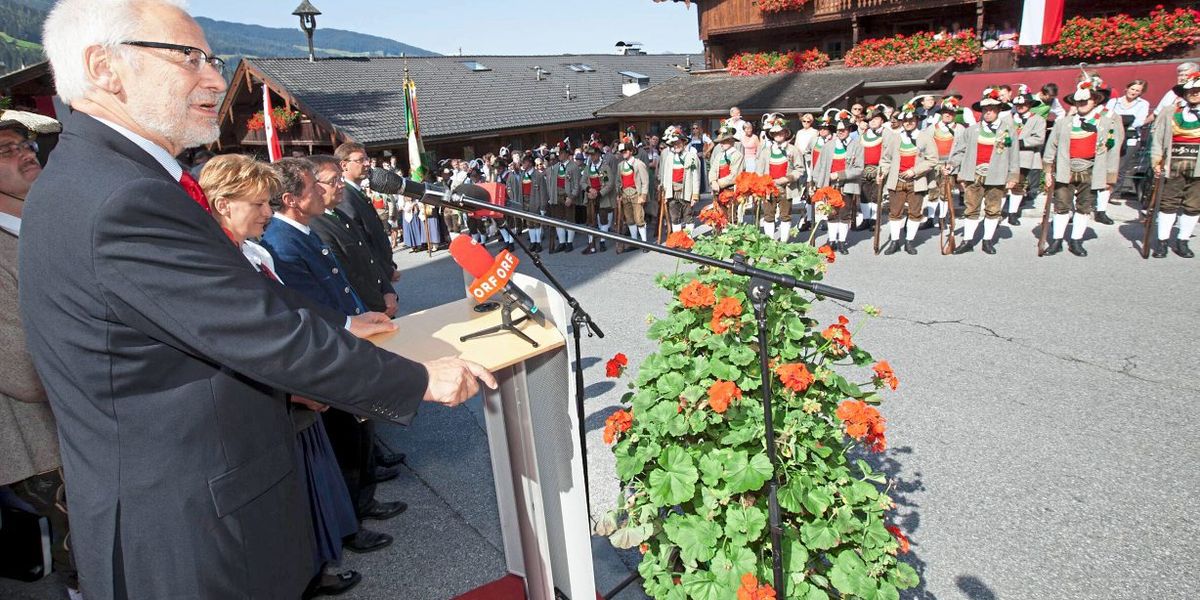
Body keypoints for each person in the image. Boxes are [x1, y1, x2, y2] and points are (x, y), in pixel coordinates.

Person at [21, 2, 496, 597]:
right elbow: (258, 330)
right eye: (188, 57)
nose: (216, 79)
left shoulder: (97, 175)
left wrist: (342, 328)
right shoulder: (121, 197)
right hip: (193, 530)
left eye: (212, 59)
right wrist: (415, 377)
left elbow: (231, 304)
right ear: (104, 66)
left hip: (186, 512)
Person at [200, 154, 362, 598]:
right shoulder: (217, 262)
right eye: (257, 204)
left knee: (310, 492)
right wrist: (293, 390)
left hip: (293, 394)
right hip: (273, 403)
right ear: (221, 204)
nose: (268, 213)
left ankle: (315, 570)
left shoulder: (251, 249)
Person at [0, 116, 81, 600]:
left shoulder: (40, 223)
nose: (26, 152)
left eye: (24, 144)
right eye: (6, 150)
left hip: (79, 426)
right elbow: (20, 369)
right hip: (40, 445)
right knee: (84, 565)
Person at [1042, 77, 1124, 257]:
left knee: (1084, 206)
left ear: (1094, 101)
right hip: (1066, 168)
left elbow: (1113, 149)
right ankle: (1056, 240)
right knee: (1061, 205)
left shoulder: (1106, 122)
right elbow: (1051, 147)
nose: (1080, 104)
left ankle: (1076, 240)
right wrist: (1048, 170)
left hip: (1092, 169)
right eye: (1077, 101)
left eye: (1084, 101)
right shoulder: (1063, 122)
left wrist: (1110, 177)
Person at [308, 155, 397, 317]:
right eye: (333, 181)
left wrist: (388, 290)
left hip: (381, 302)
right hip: (366, 311)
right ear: (315, 186)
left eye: (341, 178)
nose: (341, 185)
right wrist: (379, 303)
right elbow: (347, 274)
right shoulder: (316, 225)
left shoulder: (340, 215)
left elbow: (369, 256)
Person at [949, 88, 1020, 254]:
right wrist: (951, 165)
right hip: (973, 175)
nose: (988, 113)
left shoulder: (1008, 130)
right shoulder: (971, 130)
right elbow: (960, 151)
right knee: (971, 208)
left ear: (998, 110)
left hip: (997, 175)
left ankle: (987, 240)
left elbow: (1014, 155)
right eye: (985, 110)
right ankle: (967, 241)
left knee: (993, 208)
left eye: (992, 110)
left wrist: (1013, 176)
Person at [1148, 72, 1200, 258]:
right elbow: (1158, 138)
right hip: (1173, 163)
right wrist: (1156, 160)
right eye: (1190, 91)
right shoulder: (1170, 111)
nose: (1194, 93)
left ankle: (1182, 241)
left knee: (1193, 205)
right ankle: (1162, 242)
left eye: (1197, 90)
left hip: (1198, 167)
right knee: (1168, 203)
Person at [877, 104, 937, 254]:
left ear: (917, 120)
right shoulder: (895, 138)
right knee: (895, 212)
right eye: (905, 120)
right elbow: (886, 159)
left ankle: (909, 242)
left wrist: (914, 171)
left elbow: (932, 160)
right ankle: (895, 241)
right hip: (896, 181)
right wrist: (882, 172)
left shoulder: (925, 138)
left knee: (915, 213)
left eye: (912, 120)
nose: (908, 122)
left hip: (916, 182)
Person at [336, 143, 401, 281]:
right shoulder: (345, 196)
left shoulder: (356, 192)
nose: (367, 164)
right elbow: (362, 243)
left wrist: (390, 266)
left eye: (367, 159)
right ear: (344, 165)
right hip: (373, 276)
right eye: (360, 160)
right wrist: (385, 272)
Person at [810, 115, 864, 254]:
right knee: (831, 214)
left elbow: (858, 168)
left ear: (849, 129)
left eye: (844, 129)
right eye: (838, 130)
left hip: (847, 185)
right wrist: (814, 183)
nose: (841, 132)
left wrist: (839, 175)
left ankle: (842, 242)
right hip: (830, 186)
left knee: (844, 215)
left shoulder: (857, 146)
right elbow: (819, 166)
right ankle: (832, 240)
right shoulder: (828, 146)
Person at [755, 114, 804, 241]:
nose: (778, 135)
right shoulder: (765, 151)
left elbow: (800, 170)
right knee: (768, 216)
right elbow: (759, 172)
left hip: (785, 189)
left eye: (781, 132)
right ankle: (769, 242)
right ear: (771, 135)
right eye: (775, 133)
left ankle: (783, 242)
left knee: (785, 216)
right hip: (768, 189)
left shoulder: (793, 150)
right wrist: (760, 187)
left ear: (786, 133)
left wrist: (788, 178)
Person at [1107, 80, 1151, 202]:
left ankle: (1115, 193)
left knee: (1122, 165)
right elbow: (1106, 116)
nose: (1134, 92)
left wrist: (1123, 124)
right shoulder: (1114, 102)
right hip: (1112, 134)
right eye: (1132, 89)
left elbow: (1140, 121)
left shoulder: (1143, 104)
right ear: (1127, 88)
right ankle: (1103, 191)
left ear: (1141, 93)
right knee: (1108, 163)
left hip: (1130, 136)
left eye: (1137, 90)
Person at [1008, 90, 1048, 226]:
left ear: (1030, 104)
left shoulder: (1038, 120)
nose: (1021, 106)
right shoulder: (1007, 118)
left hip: (1025, 156)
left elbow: (1039, 138)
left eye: (1024, 103)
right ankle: (996, 212)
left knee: (1018, 184)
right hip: (1006, 156)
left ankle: (1012, 213)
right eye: (1018, 104)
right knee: (1001, 184)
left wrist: (1021, 142)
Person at [922, 98, 963, 229]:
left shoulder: (960, 129)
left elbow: (963, 149)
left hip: (949, 165)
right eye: (945, 112)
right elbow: (923, 147)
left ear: (955, 114)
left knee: (946, 193)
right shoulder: (931, 129)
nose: (948, 115)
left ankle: (942, 218)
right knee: (932, 191)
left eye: (951, 113)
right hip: (934, 164)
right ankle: (930, 217)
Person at [659, 125, 701, 233]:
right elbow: (666, 176)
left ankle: (688, 240)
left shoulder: (691, 157)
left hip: (686, 191)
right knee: (674, 217)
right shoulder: (669, 157)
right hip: (673, 193)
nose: (676, 145)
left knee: (688, 216)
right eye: (674, 143)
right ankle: (677, 240)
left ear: (684, 142)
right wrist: (666, 192)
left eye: (678, 143)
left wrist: (695, 195)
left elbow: (696, 177)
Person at [856, 106, 890, 231]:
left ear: (882, 120)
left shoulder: (886, 134)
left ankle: (875, 219)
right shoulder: (864, 134)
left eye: (876, 119)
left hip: (879, 168)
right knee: (864, 195)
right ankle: (866, 219)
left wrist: (882, 170)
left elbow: (888, 153)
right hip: (864, 169)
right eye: (870, 120)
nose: (873, 121)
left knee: (876, 196)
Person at [614, 142, 650, 253]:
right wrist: (618, 193)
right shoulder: (620, 165)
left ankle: (644, 244)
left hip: (636, 194)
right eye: (621, 152)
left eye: (625, 151)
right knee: (629, 219)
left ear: (630, 151)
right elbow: (618, 181)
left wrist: (643, 196)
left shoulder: (639, 164)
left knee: (639, 218)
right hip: (625, 195)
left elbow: (645, 181)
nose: (623, 153)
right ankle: (635, 242)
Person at [581, 143, 616, 254]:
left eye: (594, 155)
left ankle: (602, 241)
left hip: (602, 197)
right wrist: (589, 190)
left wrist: (599, 194)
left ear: (598, 155)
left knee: (603, 219)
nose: (592, 157)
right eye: (590, 155)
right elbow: (582, 182)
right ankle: (591, 244)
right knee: (590, 220)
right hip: (591, 197)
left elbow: (609, 184)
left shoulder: (605, 168)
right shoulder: (587, 168)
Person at [545, 142, 580, 252]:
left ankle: (569, 243)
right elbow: (551, 184)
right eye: (558, 153)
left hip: (567, 195)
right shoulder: (554, 168)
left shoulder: (573, 167)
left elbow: (577, 184)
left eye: (560, 153)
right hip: (557, 196)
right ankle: (562, 242)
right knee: (558, 220)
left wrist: (572, 197)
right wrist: (551, 197)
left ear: (565, 153)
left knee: (569, 219)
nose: (558, 155)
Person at [708, 124, 745, 224]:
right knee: (719, 216)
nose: (721, 144)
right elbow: (713, 170)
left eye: (724, 141)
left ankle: (732, 238)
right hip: (718, 190)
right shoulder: (719, 155)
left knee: (731, 216)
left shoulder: (737, 155)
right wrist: (712, 181)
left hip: (731, 190)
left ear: (731, 141)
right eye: (720, 142)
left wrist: (718, 183)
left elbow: (734, 176)